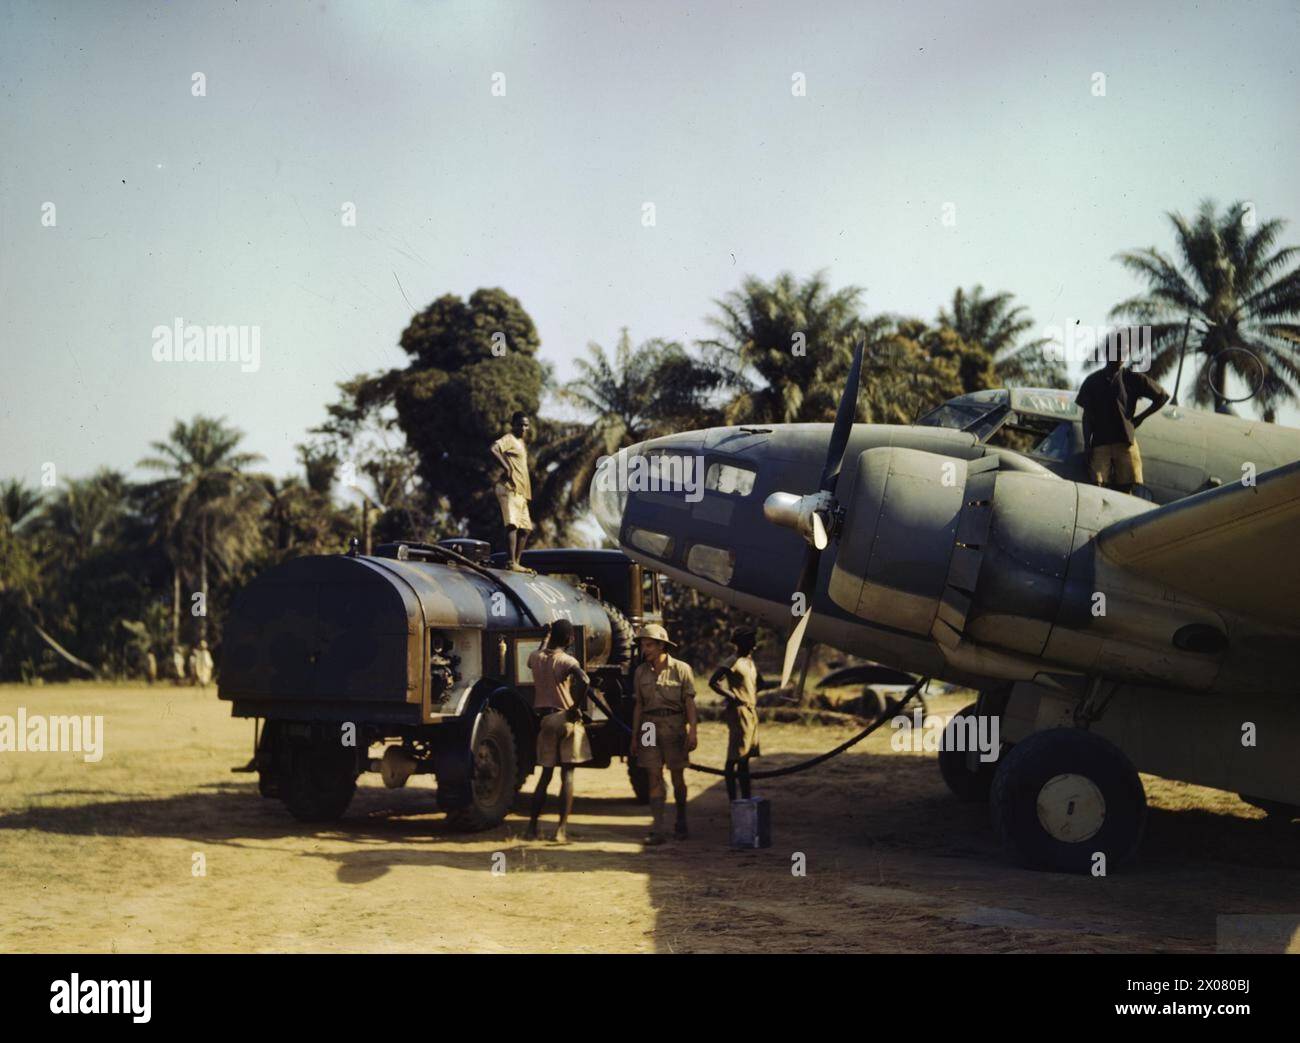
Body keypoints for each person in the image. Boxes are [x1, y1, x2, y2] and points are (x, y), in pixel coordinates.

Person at [630, 623, 698, 845]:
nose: (645, 650)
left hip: (674, 724)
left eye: (649, 645)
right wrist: (634, 736)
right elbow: (639, 705)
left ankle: (681, 820)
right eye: (643, 645)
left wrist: (693, 731)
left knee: (677, 775)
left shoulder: (681, 669)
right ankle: (658, 829)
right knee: (653, 776)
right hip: (648, 726)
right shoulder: (640, 672)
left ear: (662, 646)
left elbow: (690, 703)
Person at [526, 618, 592, 844]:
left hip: (545, 720)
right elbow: (585, 680)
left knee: (545, 775)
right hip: (565, 717)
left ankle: (531, 828)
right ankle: (560, 830)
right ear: (569, 639)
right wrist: (575, 707)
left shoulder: (535, 658)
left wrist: (545, 637)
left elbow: (537, 655)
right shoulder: (566, 660)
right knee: (568, 775)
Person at [1075, 339, 1169, 494]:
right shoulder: (1092, 381)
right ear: (1107, 354)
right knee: (1096, 486)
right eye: (1117, 352)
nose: (1121, 356)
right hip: (1100, 443)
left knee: (1126, 488)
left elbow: (1162, 396)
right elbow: (1087, 416)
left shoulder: (1132, 378)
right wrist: (1087, 444)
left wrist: (1140, 418)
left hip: (1125, 441)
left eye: (1124, 353)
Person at [709, 628, 761, 802]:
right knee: (735, 758)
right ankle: (734, 800)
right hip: (740, 713)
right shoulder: (733, 661)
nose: (754, 645)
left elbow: (758, 683)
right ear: (741, 643)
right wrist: (734, 697)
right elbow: (714, 682)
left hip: (751, 711)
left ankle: (745, 799)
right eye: (751, 641)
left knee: (745, 759)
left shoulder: (749, 662)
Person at [490, 411, 534, 571]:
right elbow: (494, 449)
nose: (523, 428)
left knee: (526, 528)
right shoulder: (509, 439)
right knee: (512, 525)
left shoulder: (521, 443)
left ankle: (516, 562)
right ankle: (511, 562)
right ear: (513, 425)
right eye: (520, 424)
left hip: (521, 492)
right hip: (510, 488)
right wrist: (506, 466)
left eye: (526, 425)